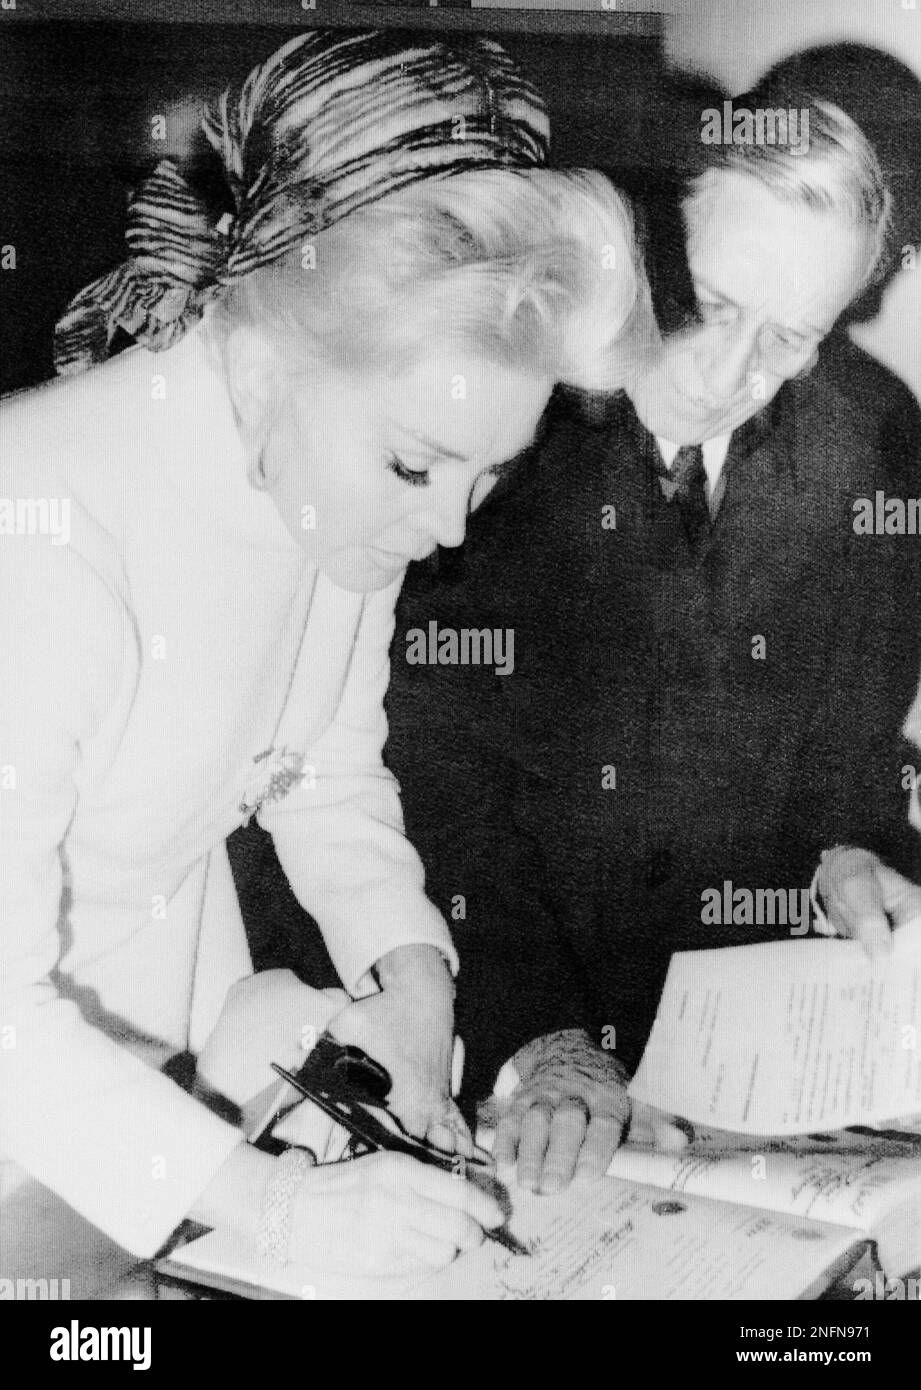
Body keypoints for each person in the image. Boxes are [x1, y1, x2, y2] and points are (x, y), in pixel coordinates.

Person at [0, 29, 650, 1277]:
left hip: (156, 1112)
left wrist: (416, 988)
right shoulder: (43, 543)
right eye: (419, 465)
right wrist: (280, 1209)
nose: (450, 526)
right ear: (258, 358)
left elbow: (326, 775)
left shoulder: (331, 473)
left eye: (489, 471)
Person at [384, 83, 921, 1196]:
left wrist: (851, 854)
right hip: (508, 1034)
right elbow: (431, 778)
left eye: (788, 339)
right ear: (648, 238)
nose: (731, 377)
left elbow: (849, 749)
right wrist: (548, 1035)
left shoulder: (864, 439)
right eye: (712, 304)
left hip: (738, 1066)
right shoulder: (499, 412)